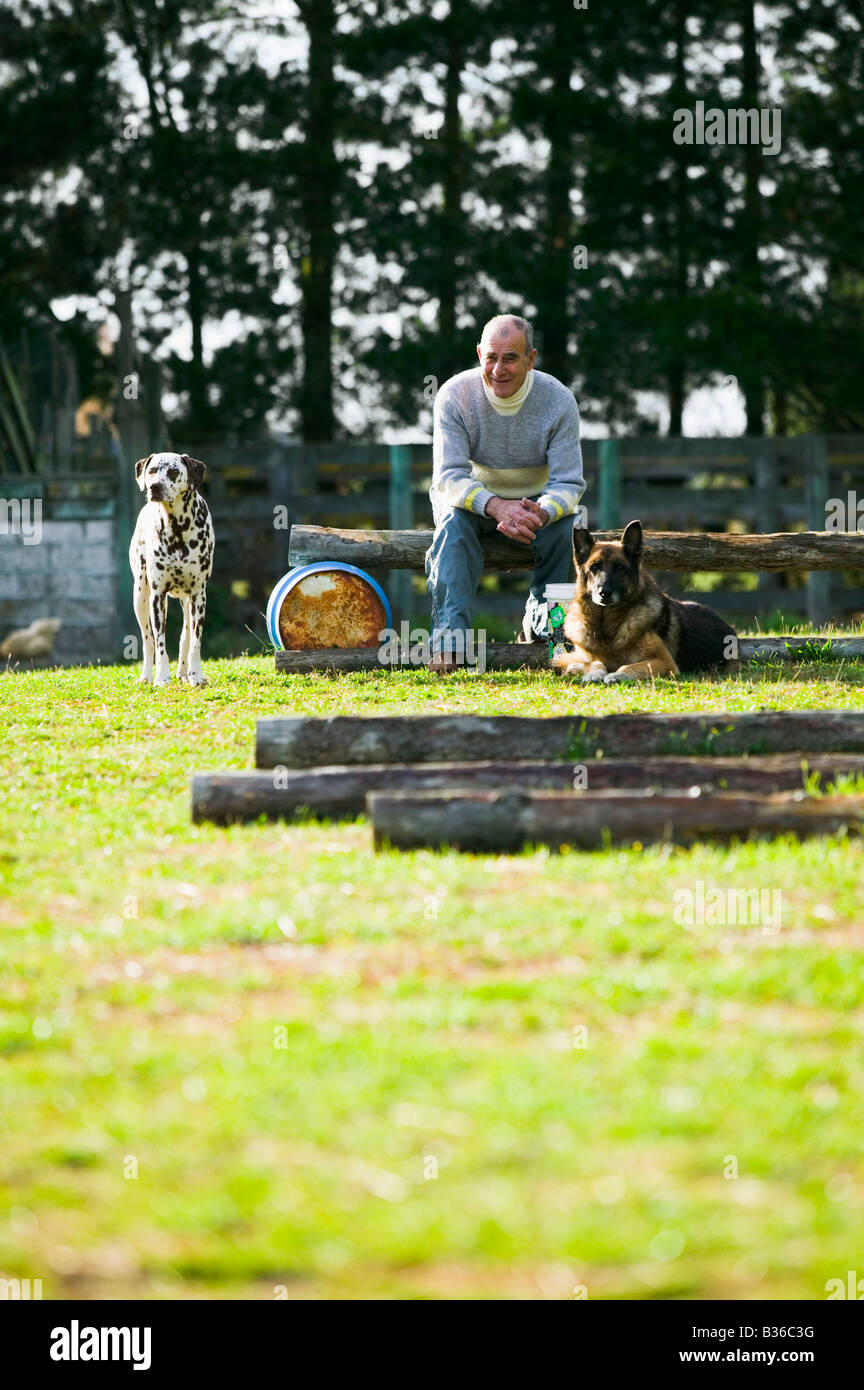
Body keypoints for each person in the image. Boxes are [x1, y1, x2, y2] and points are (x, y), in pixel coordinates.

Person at [426, 313, 585, 672]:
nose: (499, 369)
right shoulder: (454, 395)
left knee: (566, 531)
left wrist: (541, 512)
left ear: (531, 359)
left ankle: (554, 639)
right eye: (491, 358)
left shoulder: (559, 401)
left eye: (510, 358)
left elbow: (569, 484)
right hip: (470, 504)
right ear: (480, 354)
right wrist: (496, 506)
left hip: (535, 506)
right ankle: (450, 646)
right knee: (451, 526)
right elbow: (448, 478)